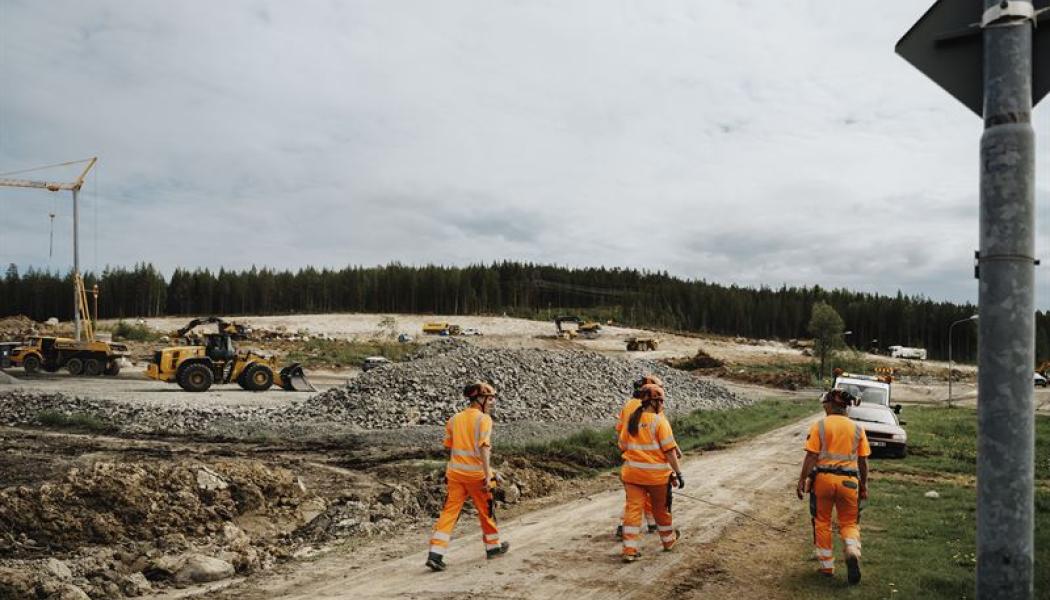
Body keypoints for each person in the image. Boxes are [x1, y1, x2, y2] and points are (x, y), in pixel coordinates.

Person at [426, 381, 509, 571]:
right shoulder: (484, 419)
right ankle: (493, 547)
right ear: (479, 399)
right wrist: (488, 475)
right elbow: (484, 448)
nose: (492, 402)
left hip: (455, 475)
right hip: (476, 477)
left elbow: (449, 447)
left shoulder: (454, 419)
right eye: (489, 398)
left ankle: (435, 555)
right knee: (486, 511)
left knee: (449, 513)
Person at [795, 389, 871, 585]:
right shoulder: (858, 428)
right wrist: (864, 485)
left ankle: (826, 567)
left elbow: (811, 456)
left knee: (822, 522)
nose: (823, 407)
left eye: (824, 404)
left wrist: (802, 479)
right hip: (849, 483)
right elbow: (863, 462)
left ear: (830, 405)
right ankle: (852, 551)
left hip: (823, 481)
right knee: (849, 523)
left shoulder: (820, 425)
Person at [618, 383, 684, 562]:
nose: (662, 405)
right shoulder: (660, 422)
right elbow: (669, 451)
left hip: (632, 475)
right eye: (661, 401)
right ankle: (668, 541)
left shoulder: (631, 420)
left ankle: (629, 550)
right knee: (661, 510)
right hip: (657, 478)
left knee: (633, 510)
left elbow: (622, 445)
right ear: (654, 402)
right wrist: (678, 473)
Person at [615, 375, 669, 538]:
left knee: (634, 498)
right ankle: (653, 525)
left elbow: (620, 430)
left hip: (631, 459)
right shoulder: (652, 409)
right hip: (652, 462)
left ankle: (631, 526)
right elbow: (664, 436)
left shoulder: (628, 405)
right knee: (652, 495)